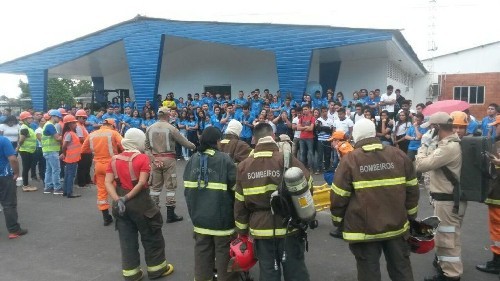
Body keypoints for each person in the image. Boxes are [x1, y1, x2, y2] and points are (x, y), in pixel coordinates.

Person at [330, 118, 419, 281]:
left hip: (364, 231)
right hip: (397, 227)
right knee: (401, 269)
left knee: (368, 273)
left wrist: (338, 221)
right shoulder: (398, 155)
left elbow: (339, 196)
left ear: (356, 136)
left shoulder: (350, 160)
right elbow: (412, 189)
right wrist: (410, 216)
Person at [234, 122, 312, 281]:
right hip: (289, 226)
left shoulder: (244, 166)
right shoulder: (287, 159)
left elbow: (240, 204)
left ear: (254, 140)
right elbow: (308, 185)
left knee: (269, 271)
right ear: (273, 137)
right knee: (295, 271)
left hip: (261, 230)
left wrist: (242, 232)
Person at [105, 128, 174, 281]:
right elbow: (142, 182)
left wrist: (118, 199)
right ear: (138, 142)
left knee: (127, 240)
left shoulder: (114, 159)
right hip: (141, 204)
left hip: (120, 206)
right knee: (151, 236)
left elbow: (107, 182)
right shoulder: (142, 158)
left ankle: (132, 273)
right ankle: (157, 269)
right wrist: (128, 197)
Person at [184, 127, 239, 281]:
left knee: (202, 253)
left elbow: (187, 191)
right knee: (224, 256)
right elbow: (236, 189)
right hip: (222, 221)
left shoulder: (192, 160)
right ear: (217, 141)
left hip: (199, 219)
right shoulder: (224, 159)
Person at [415, 112, 464, 281]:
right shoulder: (446, 144)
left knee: (447, 239)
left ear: (437, 128)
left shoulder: (448, 147)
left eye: (430, 128)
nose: (428, 132)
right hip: (444, 199)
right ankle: (446, 270)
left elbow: (420, 165)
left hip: (446, 200)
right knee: (445, 237)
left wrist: (423, 145)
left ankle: (451, 275)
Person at [145, 107, 196, 223]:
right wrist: (194, 147)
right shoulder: (171, 128)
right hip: (169, 160)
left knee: (155, 188)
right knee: (170, 187)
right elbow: (184, 142)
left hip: (155, 161)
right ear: (168, 115)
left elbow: (146, 148)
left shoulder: (149, 128)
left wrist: (153, 159)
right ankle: (170, 215)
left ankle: (153, 214)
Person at [82, 118, 124, 226]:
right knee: (116, 189)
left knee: (101, 191)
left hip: (98, 166)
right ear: (112, 125)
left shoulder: (92, 134)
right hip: (112, 166)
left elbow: (84, 149)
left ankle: (106, 217)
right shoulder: (113, 133)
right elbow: (125, 145)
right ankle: (119, 214)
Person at [476, 114, 500, 275]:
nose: (495, 127)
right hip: (495, 193)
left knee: (497, 229)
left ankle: (497, 263)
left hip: (498, 196)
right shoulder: (496, 143)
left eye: (497, 125)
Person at [0, 134, 28, 239]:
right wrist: (16, 173)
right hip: (4, 176)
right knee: (8, 204)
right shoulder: (3, 140)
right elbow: (13, 159)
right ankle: (14, 230)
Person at [60, 115, 82, 198]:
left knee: (67, 175)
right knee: (71, 175)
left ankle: (66, 191)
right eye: (74, 123)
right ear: (69, 124)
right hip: (72, 158)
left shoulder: (70, 133)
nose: (75, 124)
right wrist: (64, 153)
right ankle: (69, 192)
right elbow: (64, 146)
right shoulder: (70, 134)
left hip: (72, 157)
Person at [42, 110, 63, 195]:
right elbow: (57, 138)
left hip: (47, 150)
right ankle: (57, 188)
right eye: (59, 117)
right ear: (54, 116)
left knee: (49, 170)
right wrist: (64, 136)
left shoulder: (47, 125)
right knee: (56, 170)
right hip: (51, 151)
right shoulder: (50, 126)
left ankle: (48, 187)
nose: (59, 119)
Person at [16, 111, 38, 192]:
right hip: (25, 151)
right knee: (26, 168)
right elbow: (21, 139)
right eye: (29, 118)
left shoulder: (27, 127)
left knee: (27, 167)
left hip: (29, 150)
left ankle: (26, 184)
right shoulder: (25, 127)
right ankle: (25, 185)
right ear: (24, 119)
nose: (31, 119)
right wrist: (18, 147)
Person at [75, 109, 93, 188]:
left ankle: (87, 180)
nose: (84, 119)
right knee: (82, 166)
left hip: (87, 149)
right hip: (83, 149)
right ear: (78, 118)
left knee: (87, 166)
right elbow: (81, 138)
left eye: (85, 118)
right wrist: (88, 142)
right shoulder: (78, 126)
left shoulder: (82, 126)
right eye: (83, 118)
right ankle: (81, 183)